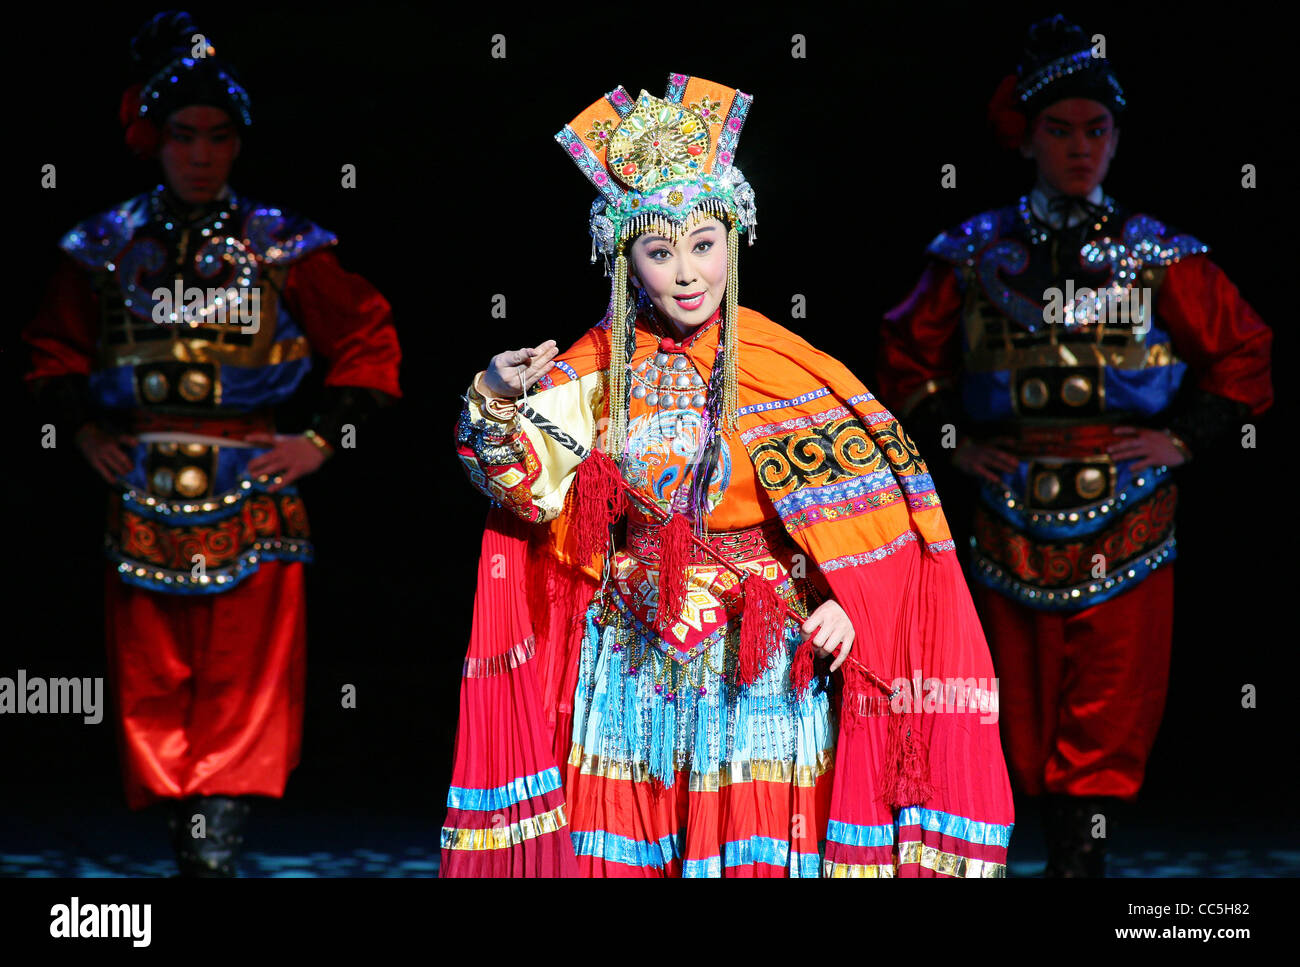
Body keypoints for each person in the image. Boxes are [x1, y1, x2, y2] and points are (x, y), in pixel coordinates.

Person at [443, 73, 1013, 877]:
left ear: (733, 240)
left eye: (703, 245)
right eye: (659, 249)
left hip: (760, 657)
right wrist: (495, 400)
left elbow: (872, 518)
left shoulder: (785, 366)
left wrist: (847, 603)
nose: (686, 273)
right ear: (623, 257)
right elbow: (522, 491)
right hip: (630, 663)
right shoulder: (594, 366)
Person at [877, 15, 1272, 876]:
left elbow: (1244, 355)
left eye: (1097, 130)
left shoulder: (1160, 254)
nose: (1080, 148)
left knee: (1114, 692)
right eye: (1060, 130)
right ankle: (1046, 849)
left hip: (1129, 501)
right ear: (1026, 137)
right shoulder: (973, 251)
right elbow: (905, 355)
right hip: (1008, 497)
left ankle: (1082, 858)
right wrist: (954, 443)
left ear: (1118, 138)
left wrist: (1180, 438)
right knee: (1018, 697)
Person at [21, 10, 402, 876]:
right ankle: (185, 826)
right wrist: (80, 431)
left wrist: (322, 440)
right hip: (143, 479)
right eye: (184, 136)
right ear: (154, 139)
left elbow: (369, 342)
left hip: (255, 483)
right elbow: (51, 349)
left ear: (238, 144)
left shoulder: (281, 246)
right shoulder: (104, 247)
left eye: (218, 137)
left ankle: (218, 834)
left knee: (243, 675)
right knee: (153, 674)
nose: (200, 154)